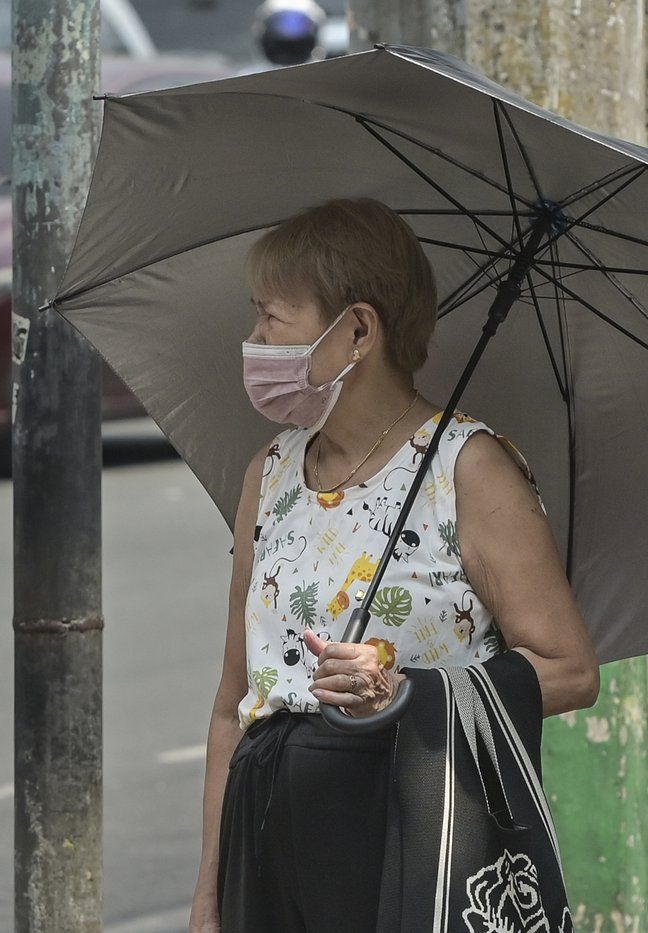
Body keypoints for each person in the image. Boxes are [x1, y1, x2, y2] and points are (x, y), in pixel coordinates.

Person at [186, 198, 601, 932]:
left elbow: (571, 669)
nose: (254, 340)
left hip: (403, 835)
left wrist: (406, 692)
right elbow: (233, 701)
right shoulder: (271, 471)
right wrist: (209, 895)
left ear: (356, 330)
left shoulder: (468, 469)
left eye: (272, 319)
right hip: (267, 839)